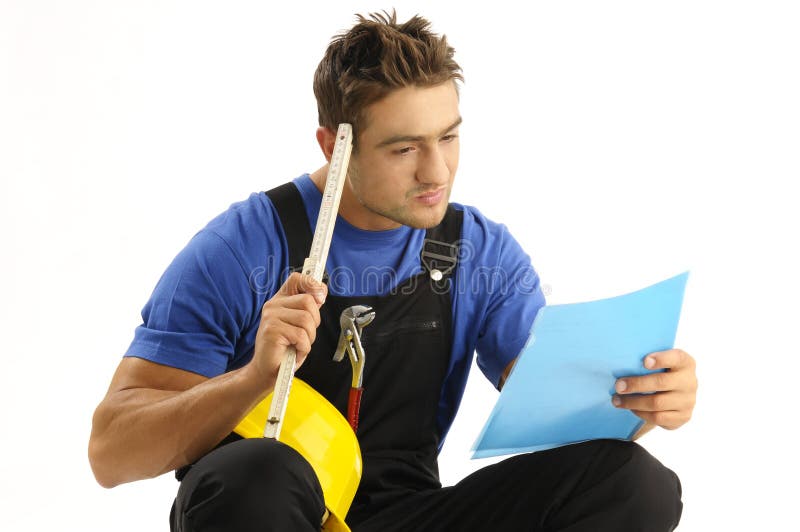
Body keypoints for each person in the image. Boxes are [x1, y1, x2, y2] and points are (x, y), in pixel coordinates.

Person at [89, 11, 697, 532]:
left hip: (411, 511)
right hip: (276, 507)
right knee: (256, 473)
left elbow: (561, 424)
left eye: (449, 137)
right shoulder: (242, 248)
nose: (436, 172)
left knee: (632, 483)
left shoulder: (478, 253)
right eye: (404, 148)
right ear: (334, 145)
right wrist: (252, 378)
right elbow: (111, 452)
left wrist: (640, 404)